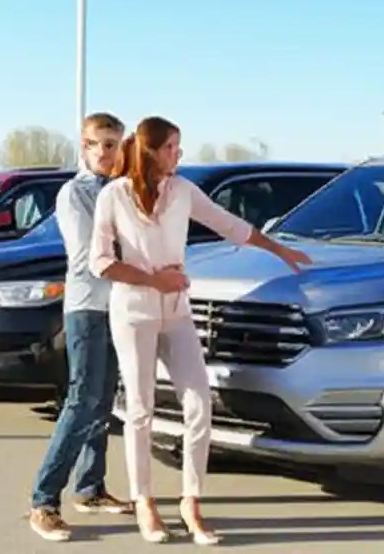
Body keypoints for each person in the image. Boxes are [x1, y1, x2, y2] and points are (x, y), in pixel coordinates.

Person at [89, 116, 312, 544]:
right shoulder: (114, 196)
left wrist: (280, 250)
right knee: (140, 409)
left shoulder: (183, 191)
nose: (179, 154)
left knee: (199, 402)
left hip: (176, 313)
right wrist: (154, 279)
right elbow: (99, 262)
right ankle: (145, 504)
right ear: (151, 150)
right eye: (173, 147)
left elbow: (231, 225)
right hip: (133, 313)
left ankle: (191, 502)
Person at [29, 112, 134, 542]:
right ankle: (43, 499)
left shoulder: (122, 191)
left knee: (104, 399)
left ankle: (90, 487)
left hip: (120, 308)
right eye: (100, 144)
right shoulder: (75, 194)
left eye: (115, 144)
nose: (108, 153)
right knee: (82, 398)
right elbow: (91, 255)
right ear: (85, 147)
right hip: (88, 307)